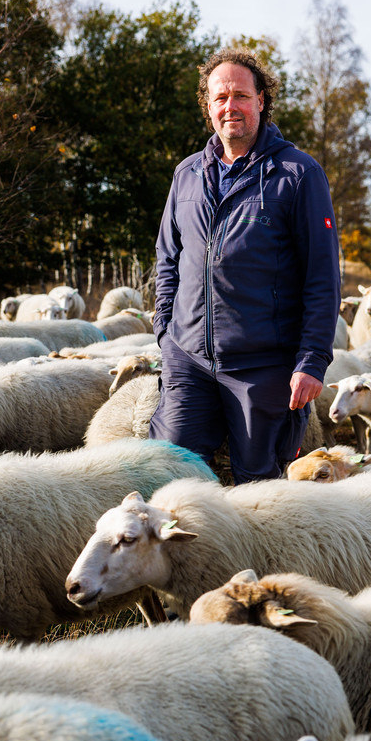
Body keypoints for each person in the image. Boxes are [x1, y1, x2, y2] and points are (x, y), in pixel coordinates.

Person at [149, 48, 342, 483]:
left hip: (262, 367)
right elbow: (168, 259)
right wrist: (166, 334)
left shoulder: (297, 174)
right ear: (208, 106)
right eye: (220, 98)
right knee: (167, 475)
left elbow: (323, 277)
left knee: (261, 489)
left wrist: (312, 360)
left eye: (240, 95)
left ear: (261, 101)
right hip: (189, 360)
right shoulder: (187, 175)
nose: (229, 106)